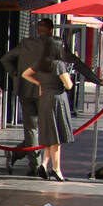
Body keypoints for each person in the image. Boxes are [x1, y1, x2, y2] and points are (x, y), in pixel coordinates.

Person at [0, 19, 100, 174]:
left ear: (38, 30)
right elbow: (77, 63)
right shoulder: (56, 45)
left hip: (26, 90)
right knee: (49, 130)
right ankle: (35, 163)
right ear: (52, 30)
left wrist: (15, 75)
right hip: (47, 92)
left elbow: (5, 58)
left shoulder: (26, 43)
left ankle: (31, 161)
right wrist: (97, 80)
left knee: (31, 129)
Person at [21, 40, 75, 182]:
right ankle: (56, 169)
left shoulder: (41, 63)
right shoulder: (59, 64)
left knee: (50, 132)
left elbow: (25, 74)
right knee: (56, 135)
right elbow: (68, 85)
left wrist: (40, 83)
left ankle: (44, 165)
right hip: (57, 99)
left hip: (44, 97)